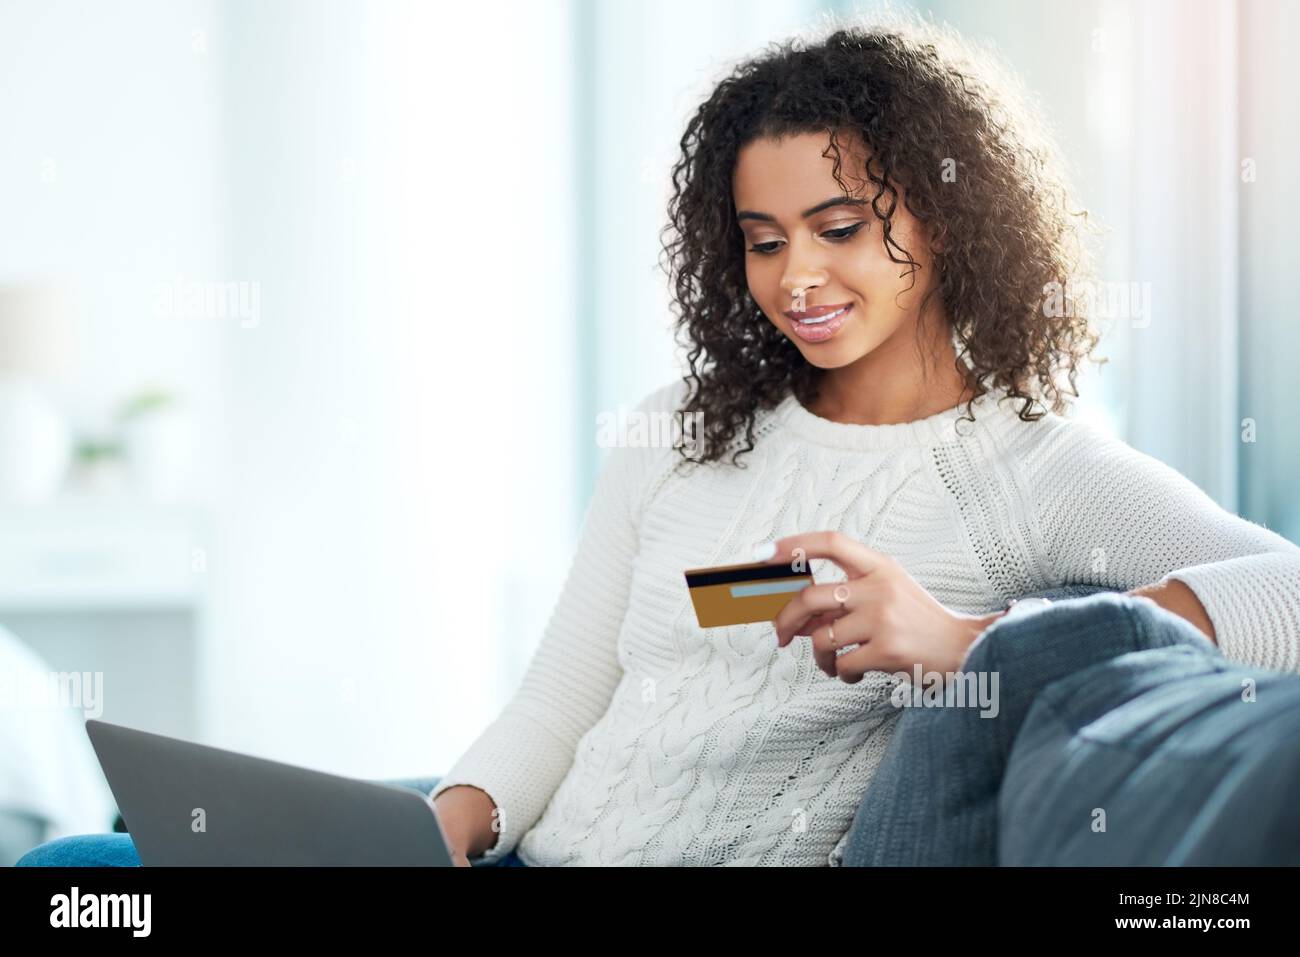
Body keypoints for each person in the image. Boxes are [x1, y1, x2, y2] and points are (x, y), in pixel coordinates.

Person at [20, 15, 1300, 869]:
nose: (795, 274)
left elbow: (1284, 590)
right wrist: (435, 833)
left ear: (952, 224)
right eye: (761, 238)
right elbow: (562, 699)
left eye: (840, 225)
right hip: (536, 854)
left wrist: (966, 643)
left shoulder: (1027, 467)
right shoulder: (678, 433)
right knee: (86, 873)